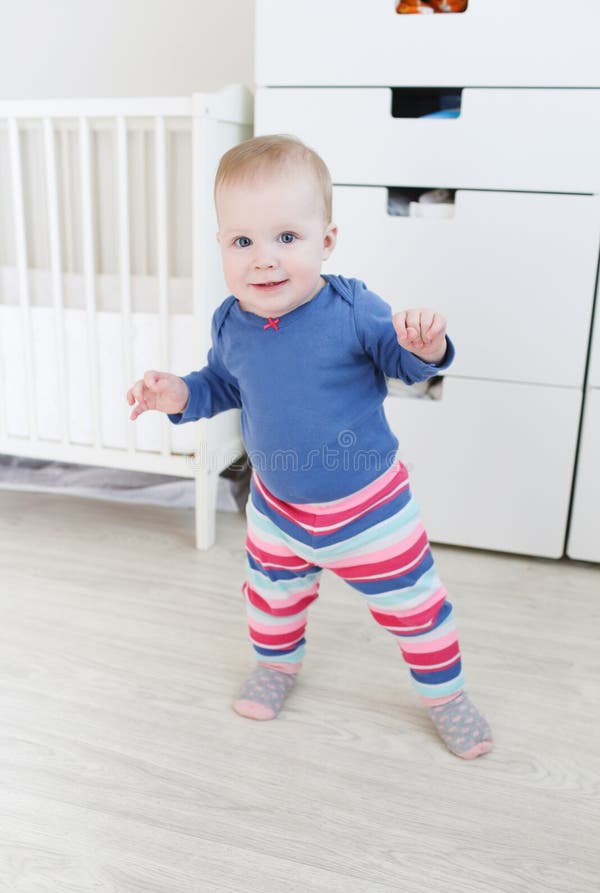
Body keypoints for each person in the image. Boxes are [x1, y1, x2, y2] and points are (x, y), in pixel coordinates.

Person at [126, 134, 493, 760]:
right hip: (277, 509)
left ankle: (448, 696)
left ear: (326, 240)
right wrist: (180, 393)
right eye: (243, 241)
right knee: (270, 600)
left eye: (286, 237)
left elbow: (402, 362)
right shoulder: (230, 321)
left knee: (415, 608)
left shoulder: (351, 307)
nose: (263, 260)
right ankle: (276, 666)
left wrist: (424, 347)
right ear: (221, 245)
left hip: (370, 509)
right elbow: (222, 383)